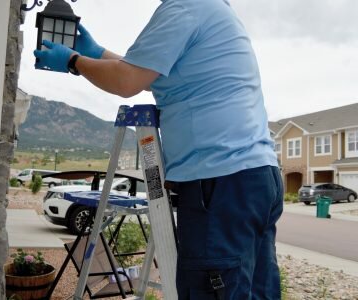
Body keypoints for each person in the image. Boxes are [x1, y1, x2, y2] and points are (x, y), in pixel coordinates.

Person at [34, 0, 283, 299]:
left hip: (220, 181)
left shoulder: (185, 7)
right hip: (256, 177)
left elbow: (127, 80)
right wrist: (96, 53)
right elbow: (148, 74)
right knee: (256, 291)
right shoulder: (214, 10)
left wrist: (74, 61)